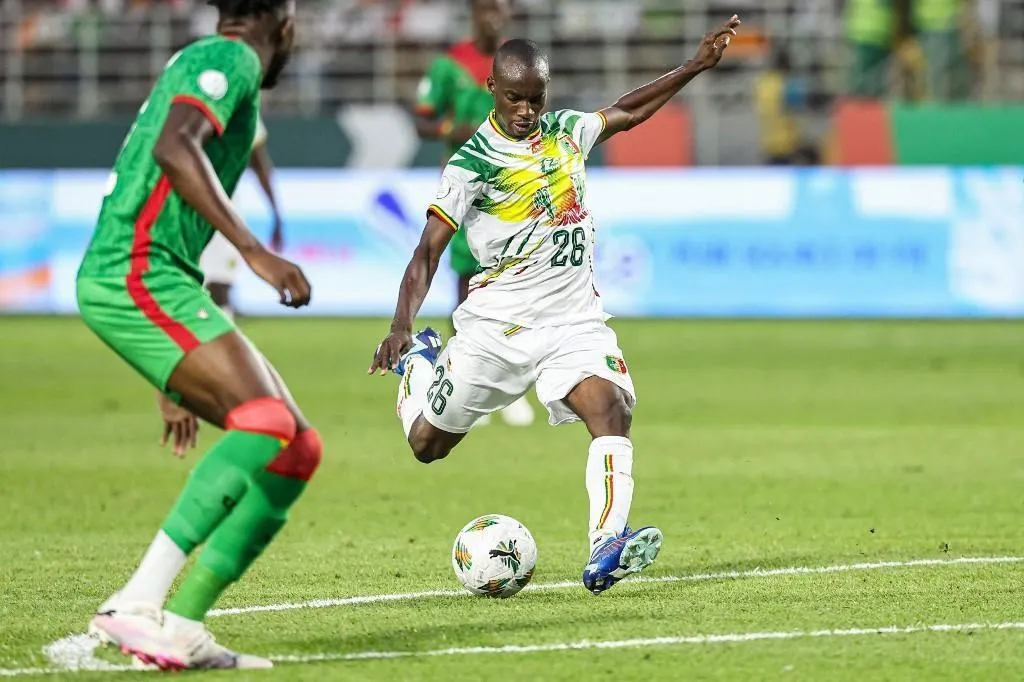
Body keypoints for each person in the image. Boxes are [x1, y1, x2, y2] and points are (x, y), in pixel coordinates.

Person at [370, 17, 741, 595]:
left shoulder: (566, 132)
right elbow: (427, 252)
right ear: (492, 88)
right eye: (514, 98)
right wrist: (402, 326)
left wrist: (694, 66)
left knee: (611, 409)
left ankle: (606, 545)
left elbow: (628, 111)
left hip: (573, 324)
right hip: (496, 329)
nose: (526, 110)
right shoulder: (471, 164)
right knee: (426, 445)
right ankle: (421, 362)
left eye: (535, 99)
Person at [76, 0, 317, 669]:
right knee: (265, 420)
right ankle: (136, 603)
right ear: (279, 21)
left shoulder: (210, 61)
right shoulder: (230, 57)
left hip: (167, 276)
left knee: (297, 448)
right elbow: (173, 145)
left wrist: (175, 369)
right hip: (135, 268)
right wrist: (254, 251)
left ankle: (182, 624)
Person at [413, 0, 535, 428]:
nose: (492, 16)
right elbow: (421, 121)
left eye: (499, 8)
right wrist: (451, 129)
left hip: (516, 187)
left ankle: (510, 388)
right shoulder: (449, 65)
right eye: (485, 8)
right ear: (473, 14)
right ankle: (464, 385)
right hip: (467, 191)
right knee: (467, 289)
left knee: (517, 288)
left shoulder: (519, 62)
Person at [200, 113, 284, 320]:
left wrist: (276, 213)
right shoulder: (195, 103)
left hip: (223, 203)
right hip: (195, 202)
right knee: (209, 286)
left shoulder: (245, 108)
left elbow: (259, 162)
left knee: (219, 284)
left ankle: (217, 333)